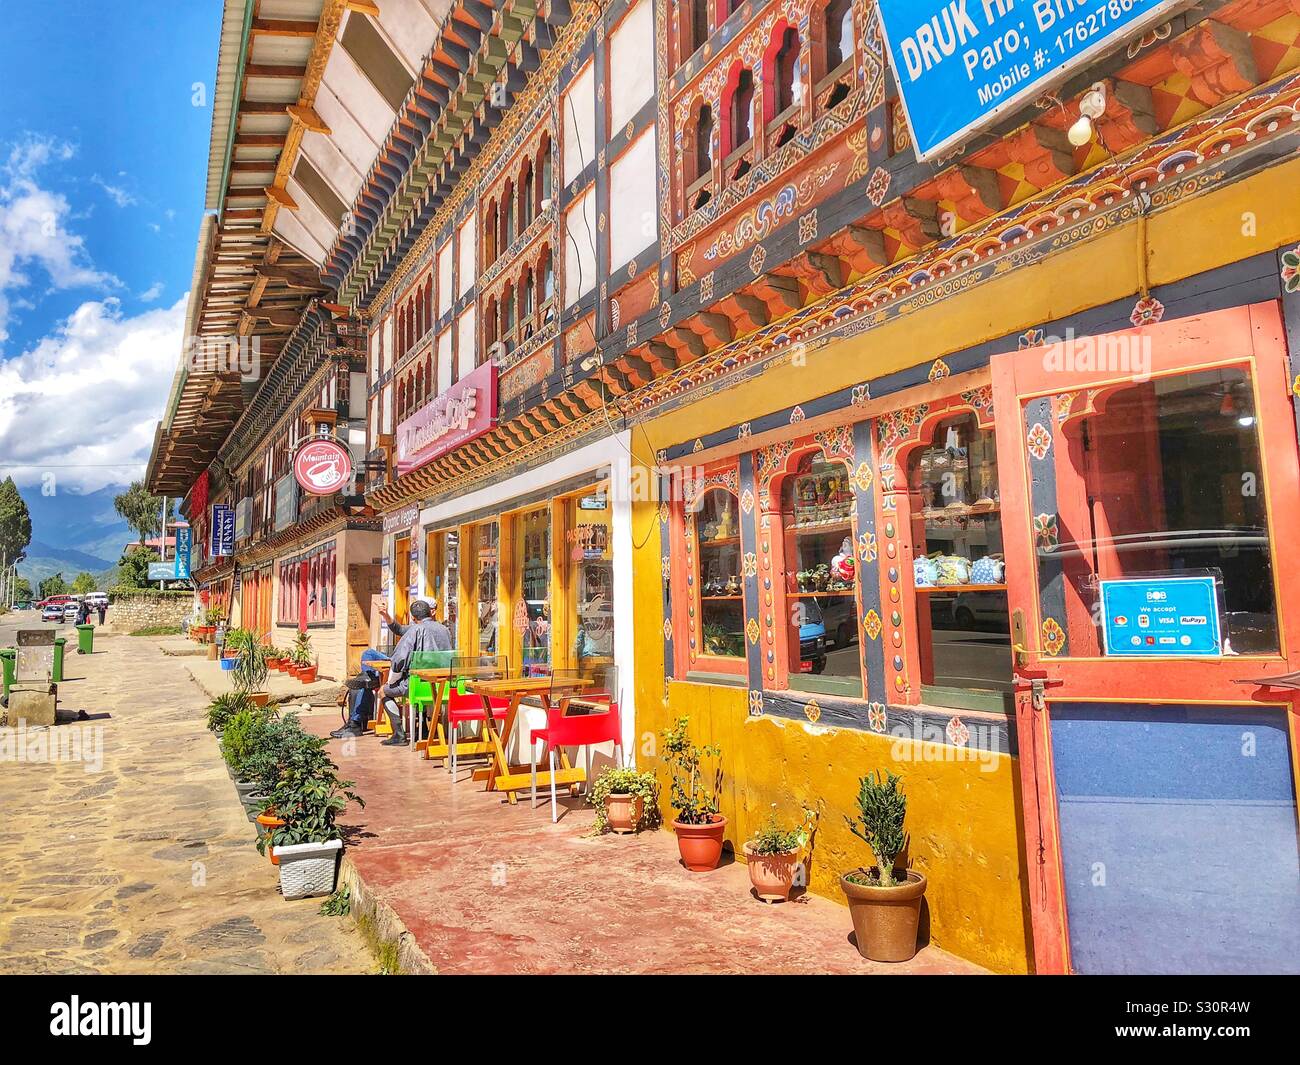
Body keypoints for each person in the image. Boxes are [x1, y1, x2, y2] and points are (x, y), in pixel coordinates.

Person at [377, 598, 453, 747]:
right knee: (416, 688)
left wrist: (390, 681)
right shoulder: (445, 630)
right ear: (430, 613)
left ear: (413, 618)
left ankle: (399, 734)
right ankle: (423, 729)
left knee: (383, 691)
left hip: (419, 687)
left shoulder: (415, 630)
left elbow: (399, 660)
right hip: (443, 687)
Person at [329, 648, 387, 739]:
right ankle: (368, 679)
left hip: (403, 661)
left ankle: (354, 724)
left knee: (363, 684)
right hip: (397, 658)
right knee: (367, 654)